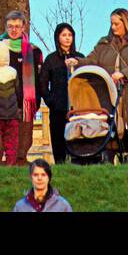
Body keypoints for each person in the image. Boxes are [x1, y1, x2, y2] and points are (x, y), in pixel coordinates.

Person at [83, 8, 128, 161]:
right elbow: (91, 60)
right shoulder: (105, 45)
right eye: (111, 24)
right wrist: (77, 62)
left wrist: (124, 74)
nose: (113, 27)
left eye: (116, 24)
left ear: (125, 23)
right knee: (113, 136)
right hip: (113, 97)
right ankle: (112, 176)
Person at [0, 10, 44, 164]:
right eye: (10, 26)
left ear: (24, 27)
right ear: (5, 27)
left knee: (24, 141)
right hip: (4, 102)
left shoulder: (34, 51)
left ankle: (20, 165)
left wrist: (36, 102)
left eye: (18, 26)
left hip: (26, 102)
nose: (14, 30)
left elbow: (38, 80)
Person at [38, 22, 85, 163]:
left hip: (77, 108)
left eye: (70, 35)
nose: (67, 38)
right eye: (64, 35)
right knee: (58, 140)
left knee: (77, 138)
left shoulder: (80, 58)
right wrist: (50, 100)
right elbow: (42, 83)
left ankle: (78, 164)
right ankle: (60, 165)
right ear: (57, 37)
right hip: (58, 108)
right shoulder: (51, 60)